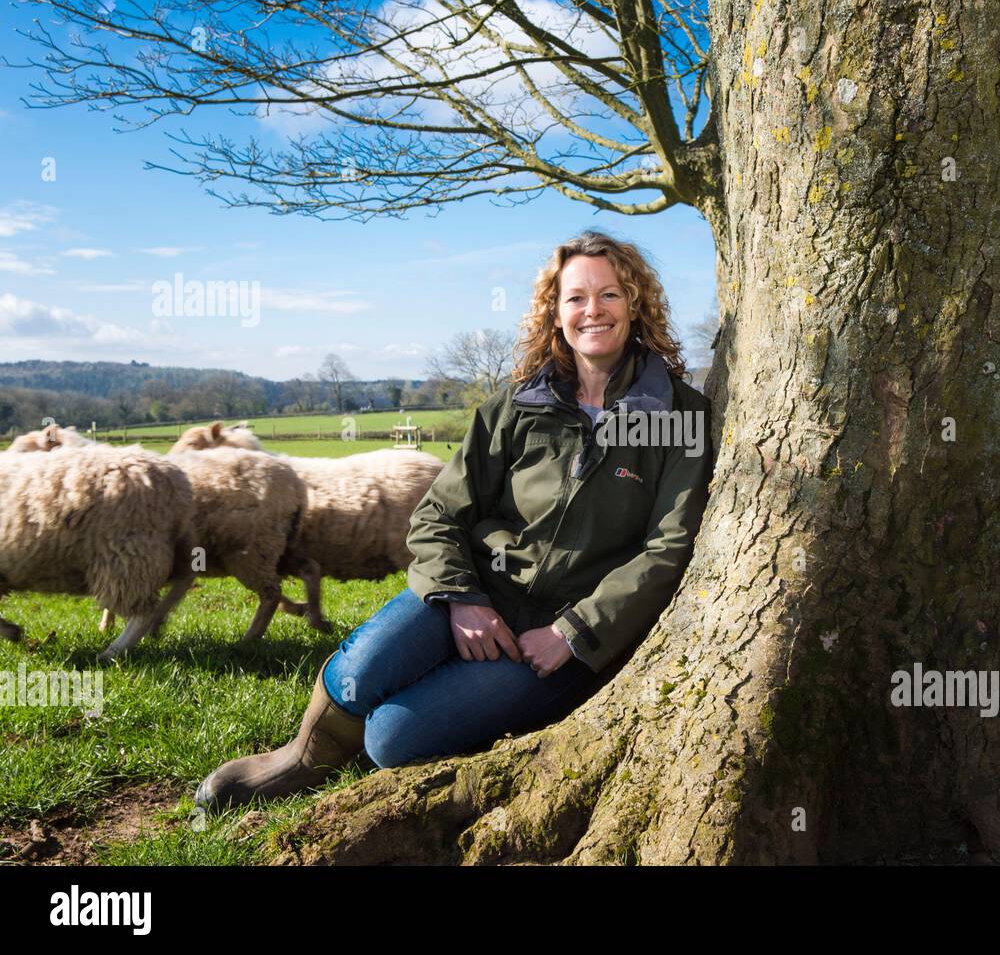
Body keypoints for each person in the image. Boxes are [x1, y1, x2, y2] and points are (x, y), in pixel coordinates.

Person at [195, 231, 714, 810]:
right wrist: (463, 596)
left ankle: (409, 729)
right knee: (356, 677)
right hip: (473, 592)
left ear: (635, 302)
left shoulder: (679, 415)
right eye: (576, 298)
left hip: (562, 637)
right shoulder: (521, 404)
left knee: (392, 738)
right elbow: (440, 510)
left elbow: (668, 549)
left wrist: (574, 633)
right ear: (556, 311)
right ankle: (300, 758)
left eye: (609, 294)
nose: (592, 310)